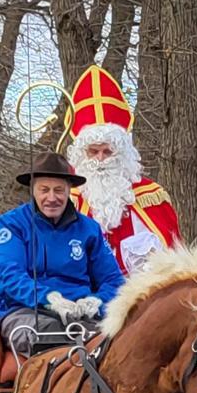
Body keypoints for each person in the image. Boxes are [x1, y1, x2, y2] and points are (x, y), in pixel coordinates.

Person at [0, 152, 123, 356]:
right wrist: (48, 298)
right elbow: (10, 275)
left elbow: (113, 280)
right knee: (53, 336)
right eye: (44, 190)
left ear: (69, 190)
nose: (51, 198)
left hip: (82, 314)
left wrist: (97, 301)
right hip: (25, 312)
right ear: (33, 190)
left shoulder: (89, 229)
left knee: (121, 344)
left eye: (59, 190)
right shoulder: (11, 224)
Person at [64, 66, 181, 277]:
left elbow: (174, 261)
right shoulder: (66, 200)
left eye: (108, 151)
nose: (101, 159)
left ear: (122, 153)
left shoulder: (151, 197)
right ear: (82, 155)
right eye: (93, 152)